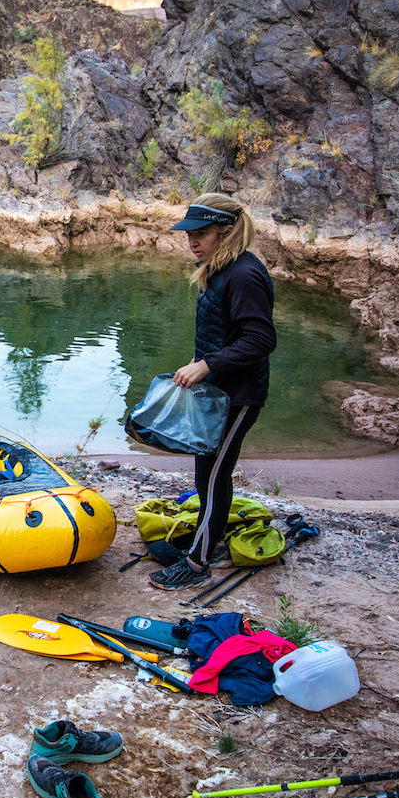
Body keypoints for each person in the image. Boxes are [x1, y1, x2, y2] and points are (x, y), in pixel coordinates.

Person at [146, 193, 277, 590]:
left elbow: (260, 339)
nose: (192, 242)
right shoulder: (219, 269)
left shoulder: (242, 274)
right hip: (219, 391)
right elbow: (221, 332)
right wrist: (197, 360)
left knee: (215, 476)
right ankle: (211, 540)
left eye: (201, 234)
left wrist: (207, 365)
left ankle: (198, 563)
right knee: (207, 476)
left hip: (238, 396)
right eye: (189, 234)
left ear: (227, 231)